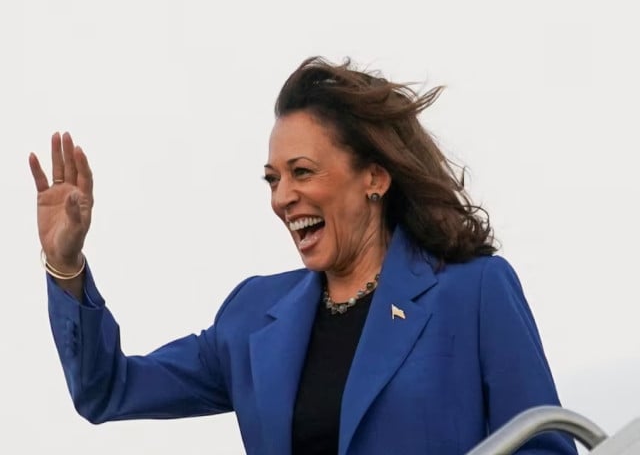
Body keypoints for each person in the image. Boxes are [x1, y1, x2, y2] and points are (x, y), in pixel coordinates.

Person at [30, 57, 577, 455]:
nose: (282, 197)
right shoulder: (252, 316)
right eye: (273, 179)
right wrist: (66, 266)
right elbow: (107, 390)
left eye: (302, 172)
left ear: (374, 177)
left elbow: (545, 447)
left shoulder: (474, 290)